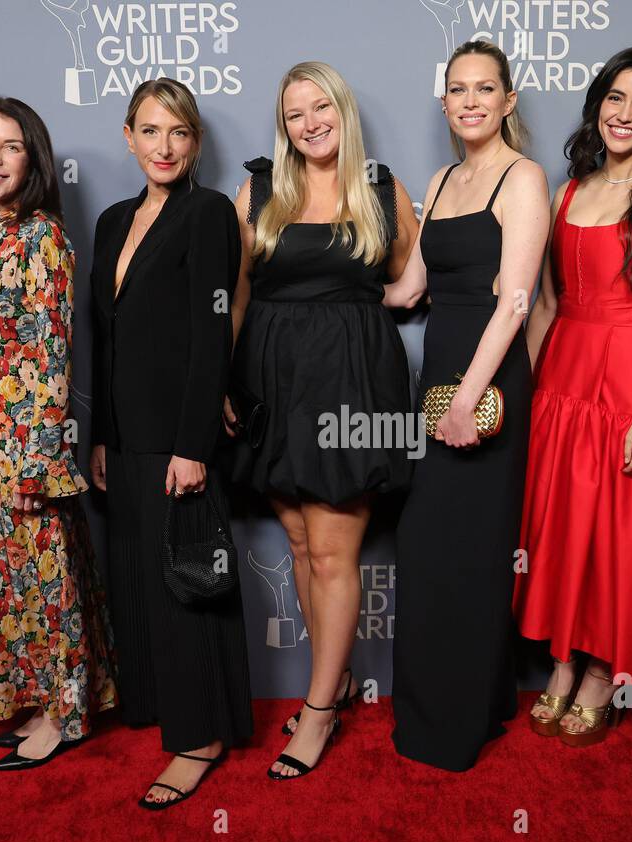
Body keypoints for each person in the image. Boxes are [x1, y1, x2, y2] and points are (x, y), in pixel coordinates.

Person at [227, 61, 418, 780]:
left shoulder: (377, 186)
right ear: (284, 124)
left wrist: (360, 314)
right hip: (272, 383)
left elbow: (413, 271)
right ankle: (330, 682)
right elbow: (236, 297)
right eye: (295, 113)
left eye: (321, 108)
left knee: (336, 552)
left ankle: (317, 712)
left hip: (353, 385)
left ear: (342, 110)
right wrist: (227, 377)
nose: (310, 124)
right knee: (304, 547)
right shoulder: (259, 189)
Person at [514, 48, 632, 746]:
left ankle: (601, 676)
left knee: (618, 534)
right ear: (598, 104)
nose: (625, 113)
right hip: (564, 378)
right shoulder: (568, 191)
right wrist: (524, 392)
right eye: (616, 98)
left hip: (628, 381)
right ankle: (561, 666)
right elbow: (545, 305)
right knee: (564, 529)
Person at [384, 40, 549, 772]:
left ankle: (463, 723)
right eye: (458, 89)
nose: (471, 100)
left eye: (486, 88)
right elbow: (409, 290)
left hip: (489, 385)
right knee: (426, 550)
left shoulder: (525, 178)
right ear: (445, 102)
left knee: (477, 555)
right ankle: (449, 706)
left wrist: (469, 401)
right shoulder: (443, 176)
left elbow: (516, 303)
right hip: (437, 384)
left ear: (509, 100)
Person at [89, 78, 253, 809]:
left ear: (195, 143)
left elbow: (209, 333)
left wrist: (194, 445)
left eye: (178, 133)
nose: (163, 146)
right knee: (137, 582)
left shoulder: (208, 213)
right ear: (128, 136)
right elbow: (104, 338)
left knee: (186, 582)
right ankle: (157, 708)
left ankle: (202, 738)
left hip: (175, 437)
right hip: (123, 438)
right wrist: (100, 436)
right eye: (150, 131)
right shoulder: (111, 222)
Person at [0, 95, 116, 769]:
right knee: (8, 584)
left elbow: (49, 361)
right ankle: (43, 702)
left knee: (48, 584)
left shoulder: (41, 239)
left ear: (32, 159)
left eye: (9, 146)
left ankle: (64, 716)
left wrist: (35, 464)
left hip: (24, 448)